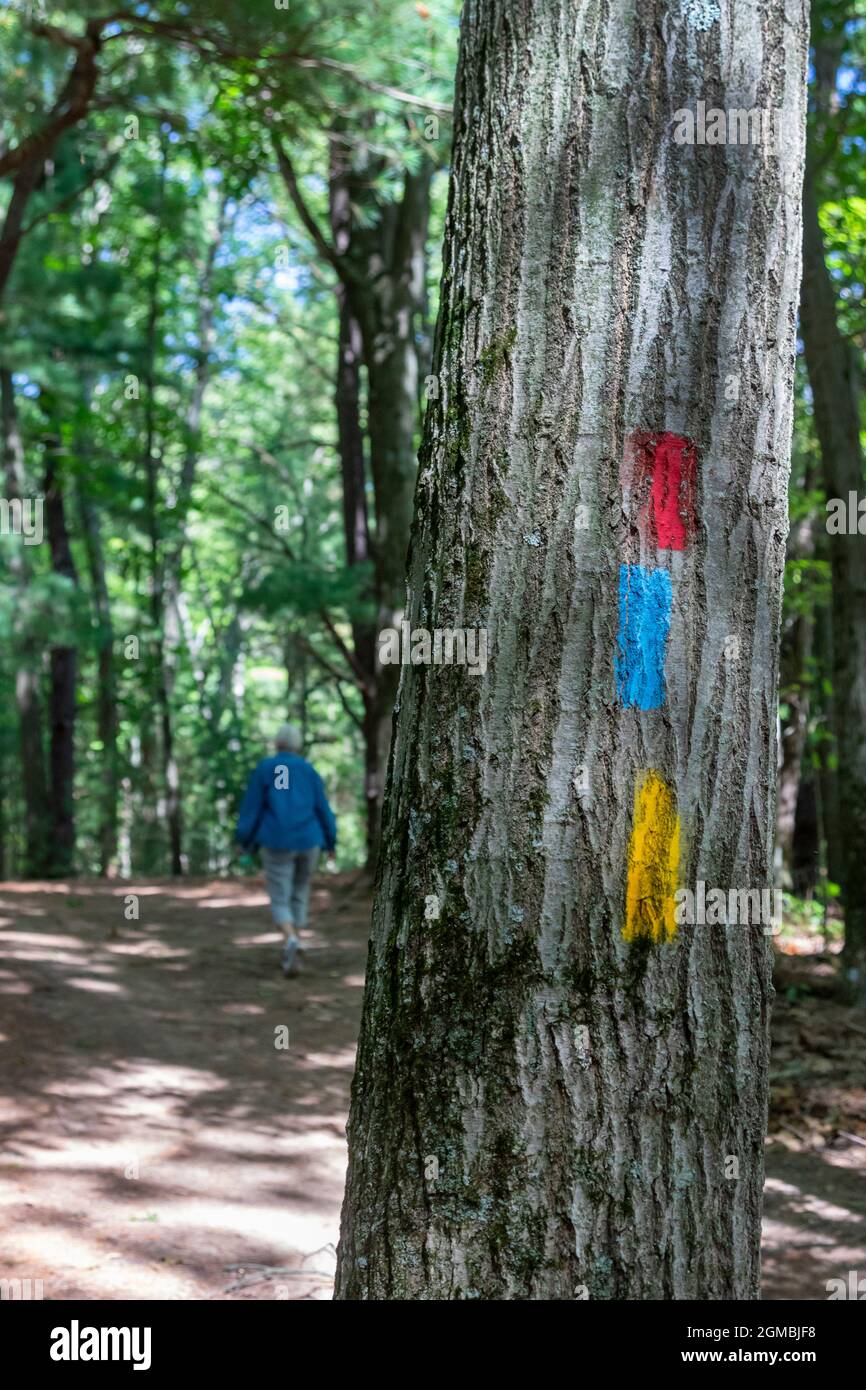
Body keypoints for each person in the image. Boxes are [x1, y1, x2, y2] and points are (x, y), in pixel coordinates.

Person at [235, 723, 337, 977]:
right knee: (300, 891)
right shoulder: (308, 770)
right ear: (297, 744)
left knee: (280, 895)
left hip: (277, 841)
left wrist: (244, 841)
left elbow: (253, 809)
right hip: (309, 839)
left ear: (276, 743)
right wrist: (330, 842)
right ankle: (295, 943)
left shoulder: (266, 769)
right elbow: (323, 808)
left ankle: (291, 940)